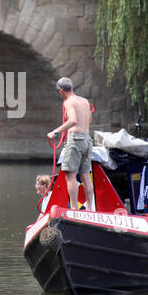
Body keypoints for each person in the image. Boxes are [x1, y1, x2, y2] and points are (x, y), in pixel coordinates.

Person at [46, 77, 95, 211]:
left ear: (61, 90)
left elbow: (73, 120)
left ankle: (73, 208)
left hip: (75, 140)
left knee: (71, 175)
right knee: (85, 175)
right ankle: (90, 208)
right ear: (72, 87)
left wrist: (55, 132)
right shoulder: (85, 101)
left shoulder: (68, 102)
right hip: (87, 139)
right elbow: (89, 119)